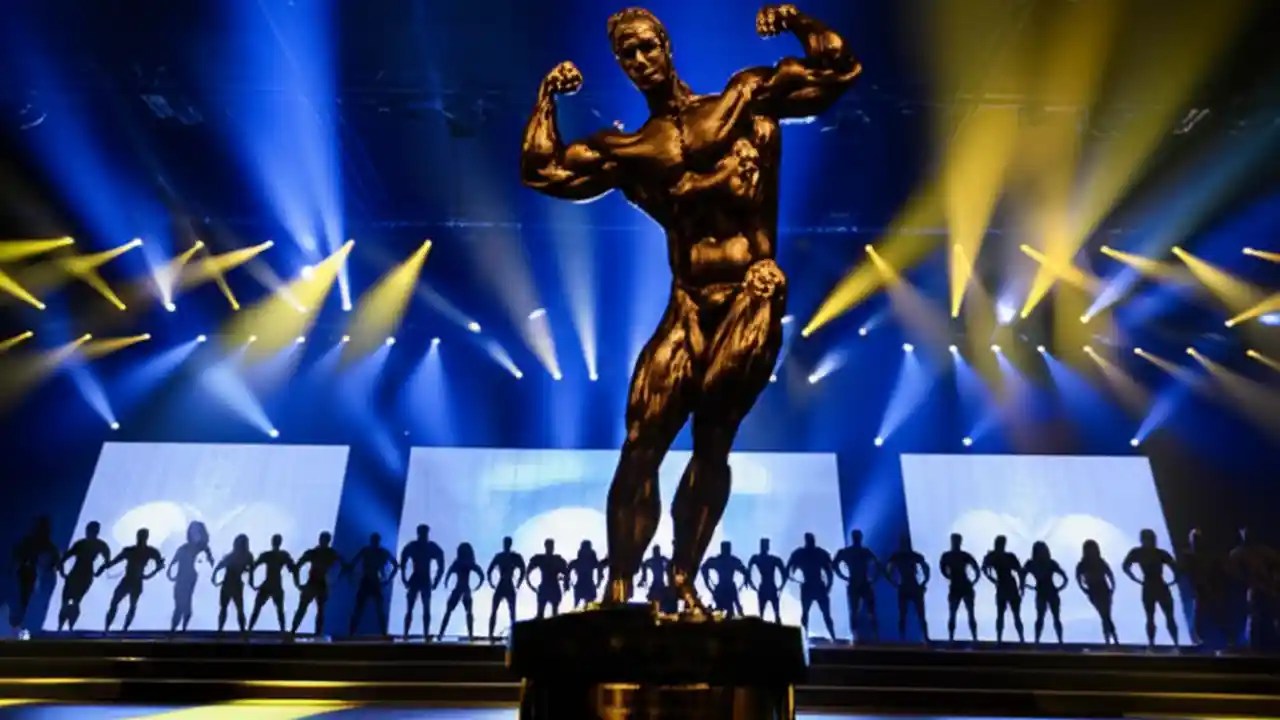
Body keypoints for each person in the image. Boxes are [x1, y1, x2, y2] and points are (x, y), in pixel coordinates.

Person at [521, 4, 861, 613]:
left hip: (751, 290)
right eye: (627, 53)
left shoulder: (744, 100)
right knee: (640, 443)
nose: (640, 59)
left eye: (647, 46)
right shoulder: (628, 150)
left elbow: (838, 69)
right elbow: (541, 169)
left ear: (666, 44)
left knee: (712, 439)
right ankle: (618, 587)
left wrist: (796, 20)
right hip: (687, 304)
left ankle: (682, 580)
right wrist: (547, 96)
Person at [99, 528, 165, 632]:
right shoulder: (130, 550)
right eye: (140, 536)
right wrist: (104, 567)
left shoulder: (150, 551)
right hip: (128, 579)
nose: (140, 539)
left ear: (146, 538)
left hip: (136, 581)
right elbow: (114, 561)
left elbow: (160, 564)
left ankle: (123, 629)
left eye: (143, 536)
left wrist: (149, 574)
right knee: (116, 602)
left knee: (131, 605)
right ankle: (107, 628)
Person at [1122, 528, 1179, 647]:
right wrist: (1134, 578)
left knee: (1168, 616)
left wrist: (1174, 580)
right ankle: (1152, 644)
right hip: (1151, 585)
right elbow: (1125, 566)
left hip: (1158, 585)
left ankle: (1175, 644)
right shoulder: (1139, 552)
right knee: (1151, 617)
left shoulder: (1158, 553)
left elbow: (1175, 567)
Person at [1227, 526, 1278, 650]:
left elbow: (1277, 563)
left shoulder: (1264, 551)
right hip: (1252, 590)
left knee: (1271, 615)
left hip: (1267, 589)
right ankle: (1253, 646)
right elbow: (1234, 573)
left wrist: (1272, 581)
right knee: (1254, 617)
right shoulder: (1237, 553)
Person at [56, 521, 110, 632]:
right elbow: (64, 557)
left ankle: (68, 627)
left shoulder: (98, 545)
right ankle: (61, 627)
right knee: (67, 601)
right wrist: (61, 571)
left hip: (83, 575)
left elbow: (107, 560)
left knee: (74, 601)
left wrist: (100, 569)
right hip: (77, 574)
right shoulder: (84, 544)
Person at [1180, 528, 1229, 647]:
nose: (1197, 541)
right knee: (1196, 612)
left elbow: (1216, 570)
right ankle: (1195, 636)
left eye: (1198, 539)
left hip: (1208, 586)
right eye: (1195, 539)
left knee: (1214, 610)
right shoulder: (1188, 555)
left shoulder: (1207, 555)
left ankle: (1219, 637)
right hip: (1195, 588)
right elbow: (1186, 573)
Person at [291, 531, 344, 637]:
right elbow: (297, 566)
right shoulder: (316, 552)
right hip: (313, 582)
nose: (324, 542)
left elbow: (343, 565)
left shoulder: (330, 553)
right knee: (304, 609)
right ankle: (293, 631)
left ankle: (316, 634)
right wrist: (297, 584)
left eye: (325, 540)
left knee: (319, 610)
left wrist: (334, 580)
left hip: (320, 584)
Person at [346, 532, 399, 637]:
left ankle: (383, 633)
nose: (374, 543)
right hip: (368, 581)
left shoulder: (380, 552)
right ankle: (351, 633)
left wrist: (387, 579)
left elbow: (396, 565)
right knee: (360, 609)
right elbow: (353, 563)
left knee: (376, 609)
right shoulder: (367, 551)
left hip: (374, 581)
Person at [786, 533, 837, 640]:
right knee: (806, 614)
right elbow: (789, 569)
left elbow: (829, 570)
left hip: (817, 586)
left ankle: (833, 637)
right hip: (810, 586)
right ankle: (805, 638)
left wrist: (829, 585)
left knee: (825, 615)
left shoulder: (819, 553)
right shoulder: (801, 553)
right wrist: (795, 579)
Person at [11, 515, 58, 630]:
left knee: (24, 597)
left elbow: (54, 560)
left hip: (31, 573)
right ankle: (17, 620)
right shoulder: (31, 541)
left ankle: (19, 621)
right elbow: (18, 553)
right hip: (26, 572)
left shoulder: (41, 543)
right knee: (21, 596)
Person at [833, 530, 881, 642]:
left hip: (859, 582)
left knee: (864, 610)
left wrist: (873, 578)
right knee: (860, 610)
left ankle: (870, 635)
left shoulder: (861, 551)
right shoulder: (860, 551)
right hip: (858, 582)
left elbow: (835, 564)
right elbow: (835, 564)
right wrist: (844, 577)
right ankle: (859, 635)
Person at [166, 521, 213, 633]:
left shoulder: (200, 548)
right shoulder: (183, 548)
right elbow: (172, 565)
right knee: (180, 607)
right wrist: (171, 575)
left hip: (189, 579)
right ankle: (174, 631)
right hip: (181, 579)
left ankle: (181, 630)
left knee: (185, 608)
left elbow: (209, 558)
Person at [399, 525, 445, 640]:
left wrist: (436, 580)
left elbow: (441, 564)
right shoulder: (423, 546)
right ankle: (408, 634)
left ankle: (419, 634)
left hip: (422, 579)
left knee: (424, 608)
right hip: (420, 579)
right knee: (413, 608)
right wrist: (403, 577)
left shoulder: (421, 546)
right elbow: (403, 561)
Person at [884, 534, 930, 642]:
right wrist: (895, 583)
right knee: (904, 614)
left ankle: (924, 637)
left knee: (919, 614)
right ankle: (903, 638)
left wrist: (924, 582)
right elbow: (888, 571)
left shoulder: (912, 556)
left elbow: (925, 568)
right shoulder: (899, 556)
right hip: (906, 586)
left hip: (911, 586)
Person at [981, 535, 1025, 644]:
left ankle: (1020, 639)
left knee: (1015, 615)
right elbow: (984, 569)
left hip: (1009, 585)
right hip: (1003, 585)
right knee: (1001, 614)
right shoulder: (993, 556)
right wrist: (993, 579)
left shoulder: (1007, 556)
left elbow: (1019, 571)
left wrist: (1021, 586)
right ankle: (1000, 639)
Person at [1022, 541, 1068, 644]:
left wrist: (1025, 586)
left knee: (1054, 617)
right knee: (1042, 617)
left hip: (1048, 592)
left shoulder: (1047, 563)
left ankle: (1058, 640)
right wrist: (1024, 586)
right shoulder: (1034, 563)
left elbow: (1065, 578)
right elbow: (1023, 575)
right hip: (1044, 592)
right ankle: (1038, 640)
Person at [248, 533, 295, 633]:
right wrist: (251, 582)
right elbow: (253, 567)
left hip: (272, 585)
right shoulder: (275, 555)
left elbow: (253, 567)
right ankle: (249, 629)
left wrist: (251, 582)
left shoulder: (275, 555)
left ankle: (250, 629)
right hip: (272, 585)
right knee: (272, 610)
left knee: (277, 610)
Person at [1076, 539, 1119, 645]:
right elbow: (1078, 577)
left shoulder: (1100, 561)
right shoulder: (1083, 564)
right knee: (1104, 615)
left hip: (1103, 588)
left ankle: (1111, 639)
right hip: (1093, 590)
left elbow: (1109, 574)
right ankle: (1112, 638)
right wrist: (1084, 589)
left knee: (1106, 615)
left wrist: (1112, 587)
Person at [438, 542, 484, 640]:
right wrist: (477, 586)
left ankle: (441, 634)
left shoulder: (459, 562)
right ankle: (470, 635)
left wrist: (446, 582)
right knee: (466, 613)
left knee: (452, 612)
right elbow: (481, 574)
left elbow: (449, 573)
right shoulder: (466, 562)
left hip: (460, 589)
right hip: (463, 589)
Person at [939, 533, 979, 642]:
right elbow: (942, 569)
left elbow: (976, 569)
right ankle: (951, 638)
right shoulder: (948, 556)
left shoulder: (963, 555)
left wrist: (973, 581)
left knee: (970, 613)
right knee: (953, 613)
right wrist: (949, 577)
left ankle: (974, 638)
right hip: (956, 586)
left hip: (963, 585)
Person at [212, 534, 254, 633]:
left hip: (233, 584)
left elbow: (251, 570)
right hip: (229, 583)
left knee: (237, 609)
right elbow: (220, 566)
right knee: (227, 608)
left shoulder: (245, 556)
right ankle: (222, 629)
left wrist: (251, 581)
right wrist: (214, 577)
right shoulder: (238, 555)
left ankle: (240, 630)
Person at [486, 537, 526, 640]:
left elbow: (523, 570)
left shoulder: (512, 556)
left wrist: (519, 582)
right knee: (497, 610)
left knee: (511, 612)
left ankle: (512, 635)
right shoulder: (503, 556)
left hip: (506, 584)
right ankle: (491, 634)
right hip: (504, 583)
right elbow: (489, 571)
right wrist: (491, 583)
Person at [701, 541, 748, 617]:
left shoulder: (729, 560)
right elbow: (704, 567)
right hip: (724, 587)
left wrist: (708, 582)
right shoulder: (725, 560)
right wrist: (707, 582)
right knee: (724, 608)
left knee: (733, 607)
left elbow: (745, 571)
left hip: (727, 587)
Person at [526, 539, 568, 618]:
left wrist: (566, 583)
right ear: (545, 546)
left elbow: (566, 574)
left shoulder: (557, 560)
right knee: (541, 613)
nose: (550, 548)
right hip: (545, 587)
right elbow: (527, 573)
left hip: (553, 587)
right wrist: (531, 585)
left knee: (554, 613)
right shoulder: (541, 559)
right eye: (549, 546)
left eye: (551, 546)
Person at [747, 538, 787, 622]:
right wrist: (781, 585)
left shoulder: (770, 559)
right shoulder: (762, 558)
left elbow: (784, 573)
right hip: (768, 587)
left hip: (769, 587)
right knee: (764, 612)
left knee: (775, 613)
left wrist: (782, 585)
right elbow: (748, 573)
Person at [565, 540, 605, 609]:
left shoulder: (589, 561)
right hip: (584, 586)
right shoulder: (582, 562)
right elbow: (568, 570)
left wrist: (599, 581)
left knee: (586, 606)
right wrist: (567, 583)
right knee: (579, 606)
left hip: (586, 586)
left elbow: (599, 568)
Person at [638, 544, 675, 613]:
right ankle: (656, 611)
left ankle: (658, 611)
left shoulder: (660, 560)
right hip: (657, 582)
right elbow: (644, 564)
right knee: (656, 597)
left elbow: (670, 565)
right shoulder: (656, 560)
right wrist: (643, 578)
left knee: (658, 597)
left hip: (659, 582)